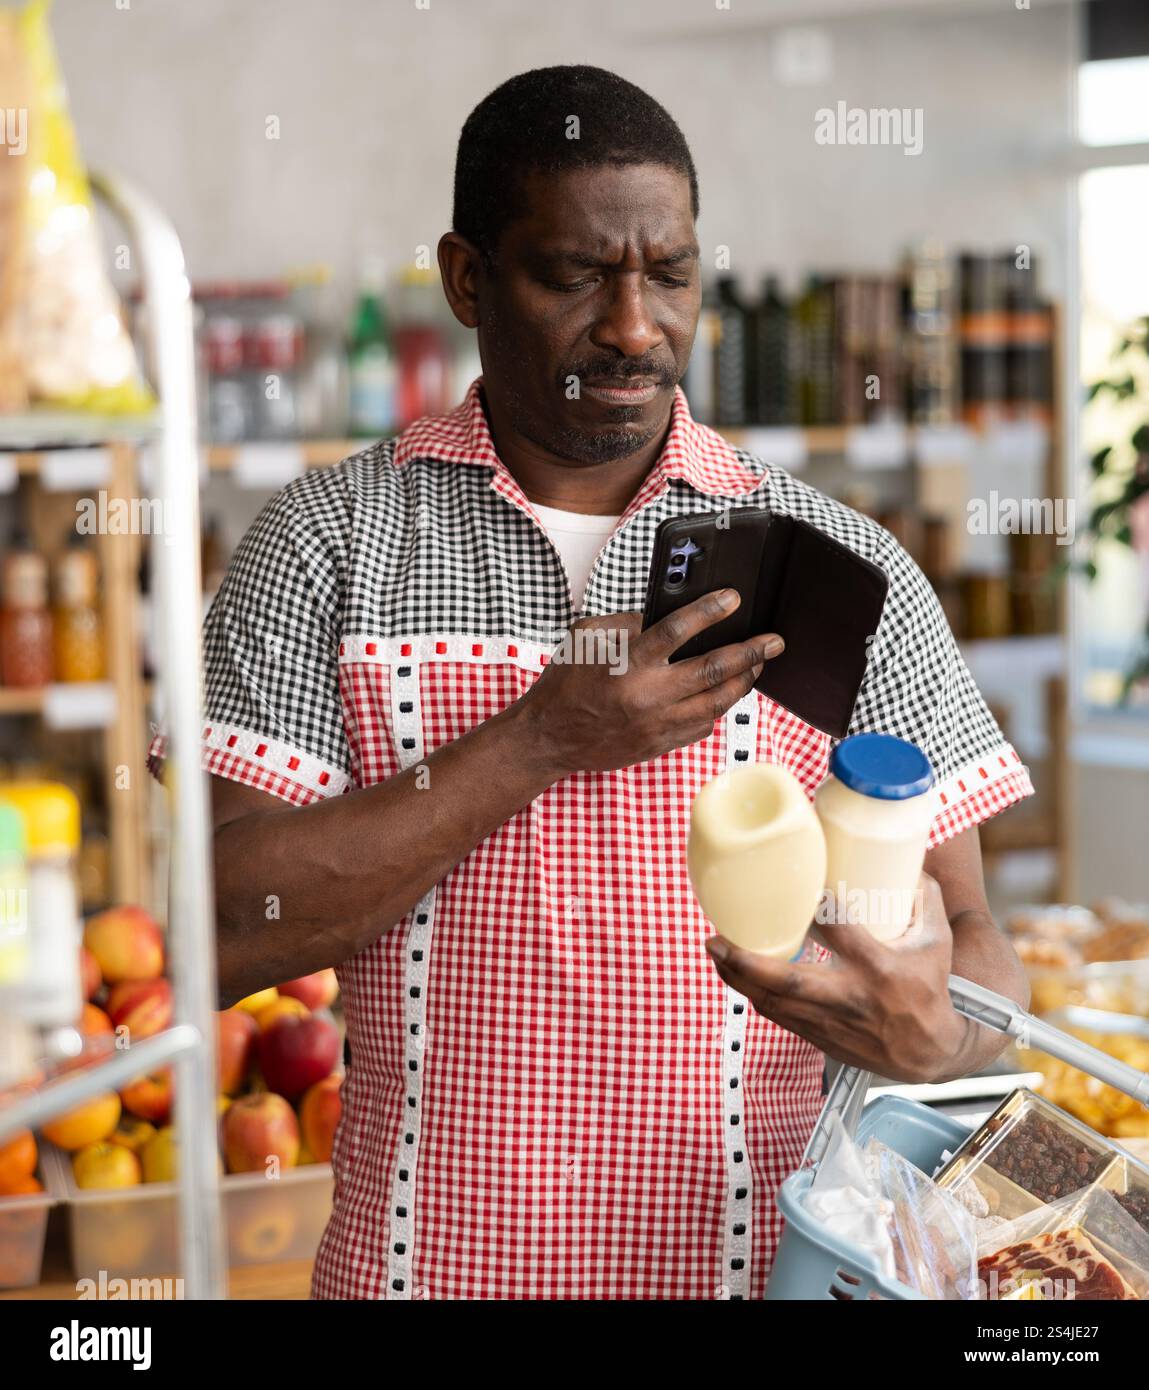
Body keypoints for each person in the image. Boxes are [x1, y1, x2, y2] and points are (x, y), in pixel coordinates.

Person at [177, 66, 1032, 1299]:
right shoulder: (328, 545)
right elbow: (221, 928)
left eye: (671, 273)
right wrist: (536, 741)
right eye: (578, 274)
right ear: (468, 276)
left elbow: (973, 939)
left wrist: (942, 1038)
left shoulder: (836, 569)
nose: (637, 326)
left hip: (759, 1278)